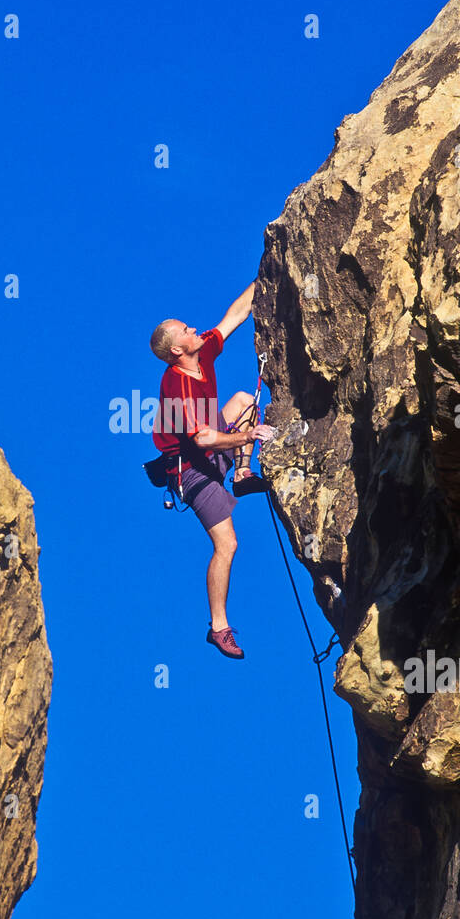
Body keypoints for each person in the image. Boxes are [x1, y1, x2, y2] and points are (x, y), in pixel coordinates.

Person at [150, 281, 274, 659]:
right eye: (186, 330)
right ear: (177, 350)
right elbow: (202, 438)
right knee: (227, 543)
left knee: (242, 400)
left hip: (211, 451)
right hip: (190, 472)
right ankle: (218, 628)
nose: (194, 329)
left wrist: (264, 271)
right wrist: (246, 437)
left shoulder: (202, 353)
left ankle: (241, 475)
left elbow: (233, 316)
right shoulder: (175, 383)